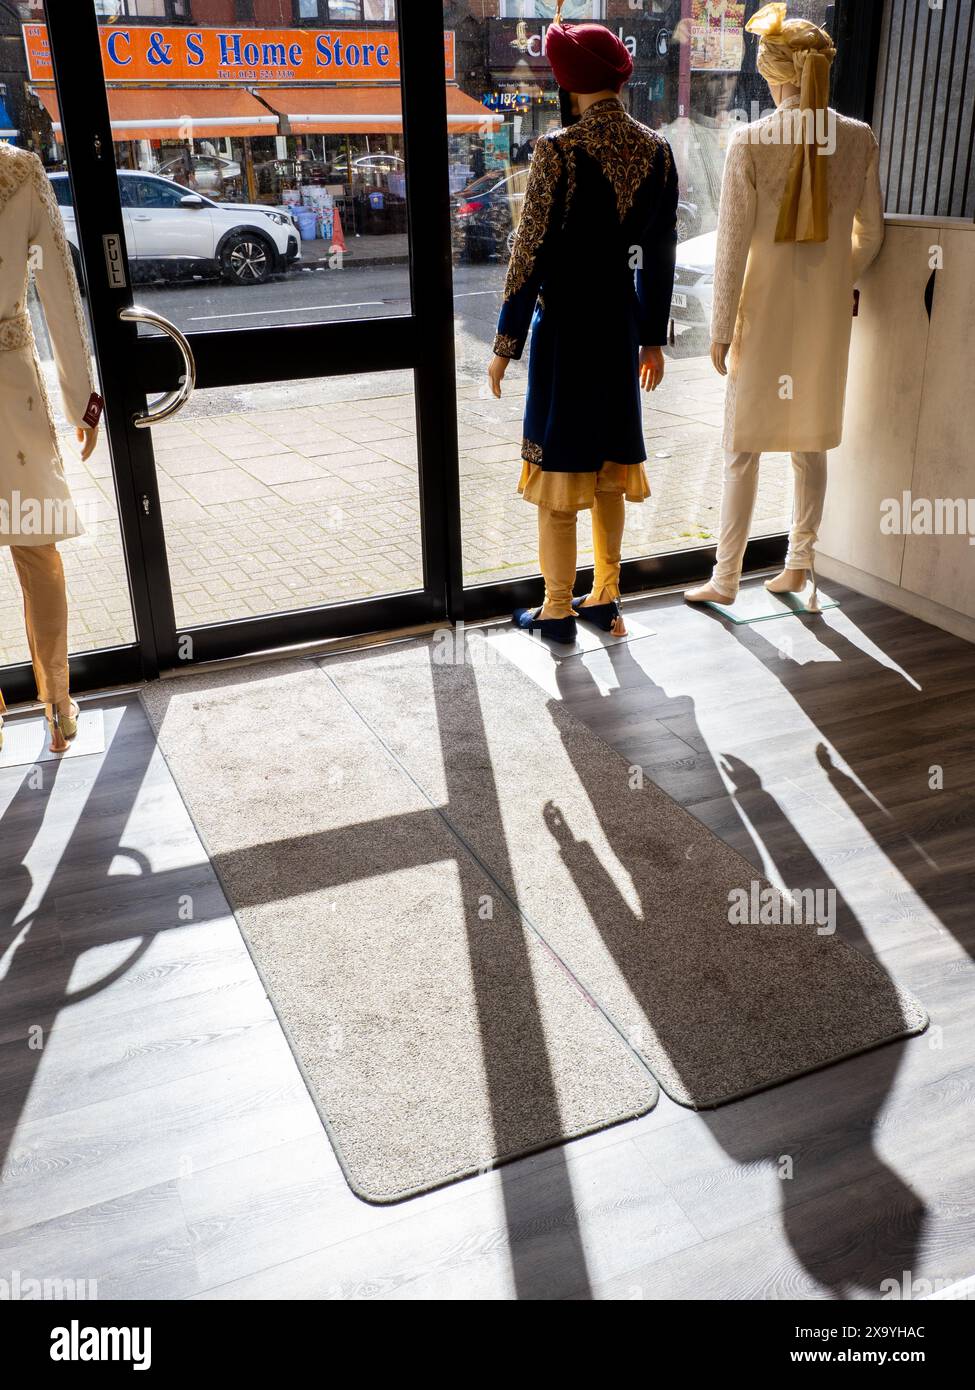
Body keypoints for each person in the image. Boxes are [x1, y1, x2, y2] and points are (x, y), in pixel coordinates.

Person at [685, 2, 884, 609]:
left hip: (760, 314)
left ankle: (726, 578)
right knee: (809, 442)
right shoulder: (858, 138)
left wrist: (720, 329)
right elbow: (871, 236)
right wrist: (832, 279)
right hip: (824, 320)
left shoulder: (751, 139)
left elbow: (732, 248)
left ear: (777, 77)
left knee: (742, 445)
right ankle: (801, 564)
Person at [488, 10, 678, 643]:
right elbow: (658, 252)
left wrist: (505, 342)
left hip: (567, 331)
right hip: (620, 332)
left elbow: (529, 250)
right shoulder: (658, 151)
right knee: (606, 473)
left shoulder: (558, 151)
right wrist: (651, 337)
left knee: (558, 476)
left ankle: (557, 609)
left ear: (568, 81)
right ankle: (606, 597)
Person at [0, 143, 102, 754]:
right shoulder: (16, 170)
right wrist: (82, 403)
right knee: (37, 551)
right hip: (11, 389)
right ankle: (59, 707)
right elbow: (58, 291)